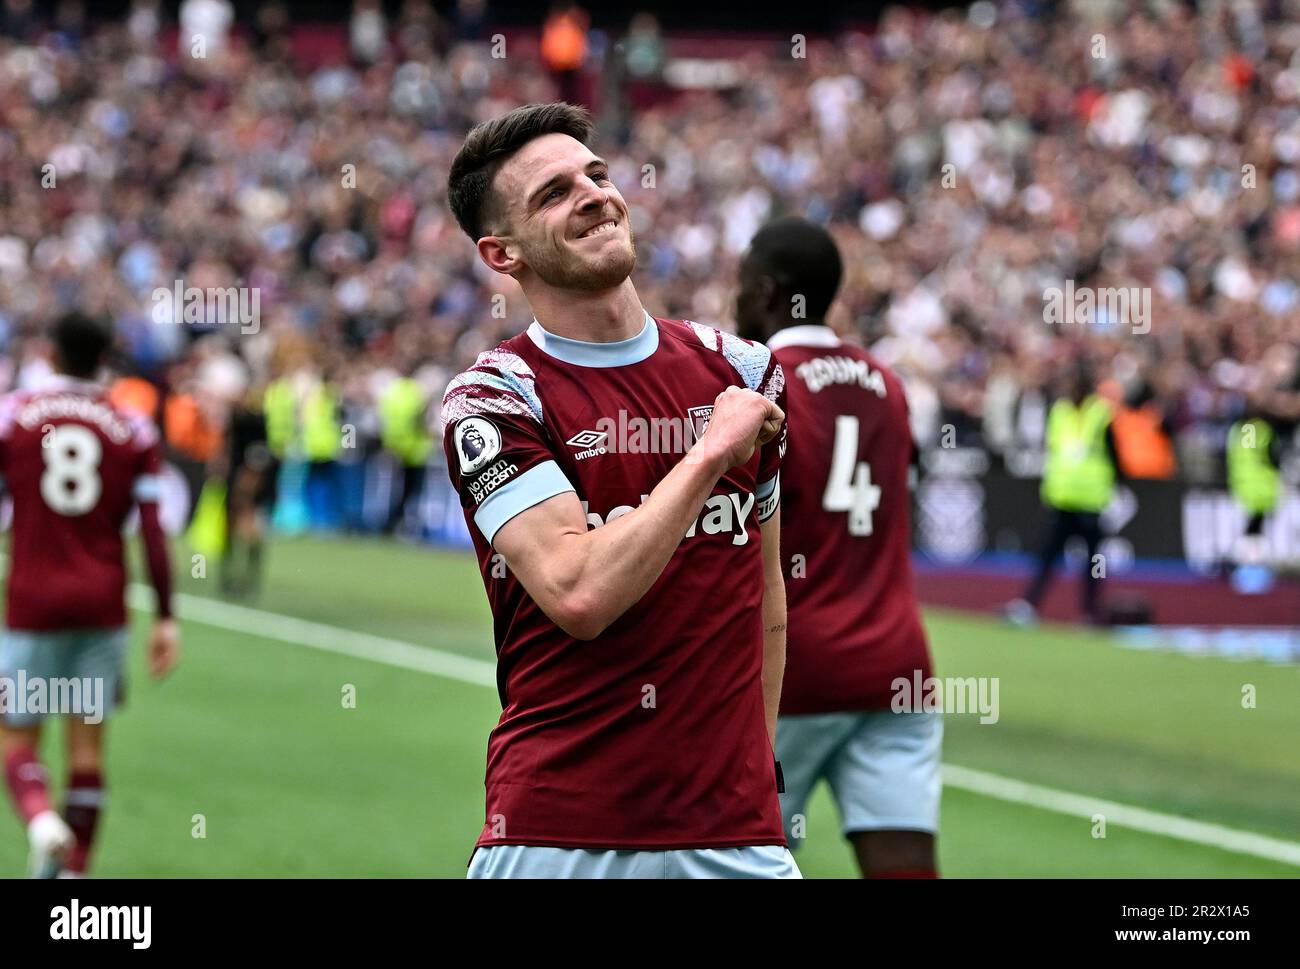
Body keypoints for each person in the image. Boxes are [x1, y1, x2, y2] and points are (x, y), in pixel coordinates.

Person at [442, 102, 795, 878]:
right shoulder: (496, 398)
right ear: (502, 254)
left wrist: (754, 783)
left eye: (595, 175)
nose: (594, 195)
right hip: (558, 836)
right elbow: (578, 592)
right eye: (554, 193)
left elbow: (766, 594)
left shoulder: (743, 372)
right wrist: (707, 456)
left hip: (738, 838)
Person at [736, 216, 941, 878]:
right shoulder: (888, 381)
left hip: (794, 666)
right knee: (906, 863)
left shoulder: (760, 385)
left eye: (740, 286)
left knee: (735, 859)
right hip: (897, 662)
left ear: (766, 292)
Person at [0, 312, 179, 878]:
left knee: (15, 736)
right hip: (103, 603)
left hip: (33, 600)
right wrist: (167, 616)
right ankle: (72, 877)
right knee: (87, 751)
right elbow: (152, 528)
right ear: (105, 360)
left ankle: (39, 820)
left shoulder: (15, 416)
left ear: (51, 354)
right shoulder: (132, 428)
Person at [1006, 362, 1125, 626]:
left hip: (1090, 501)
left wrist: (1112, 489)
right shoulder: (1059, 412)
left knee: (1092, 562)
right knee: (1047, 556)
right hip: (1061, 498)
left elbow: (1115, 457)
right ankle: (1029, 605)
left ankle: (1089, 613)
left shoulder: (1101, 414)